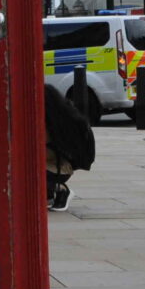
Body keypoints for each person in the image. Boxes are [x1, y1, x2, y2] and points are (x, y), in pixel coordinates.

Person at [43, 81, 95, 211]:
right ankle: (48, 193)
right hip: (56, 164)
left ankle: (59, 189)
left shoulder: (55, 123)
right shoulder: (64, 114)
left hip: (58, 168)